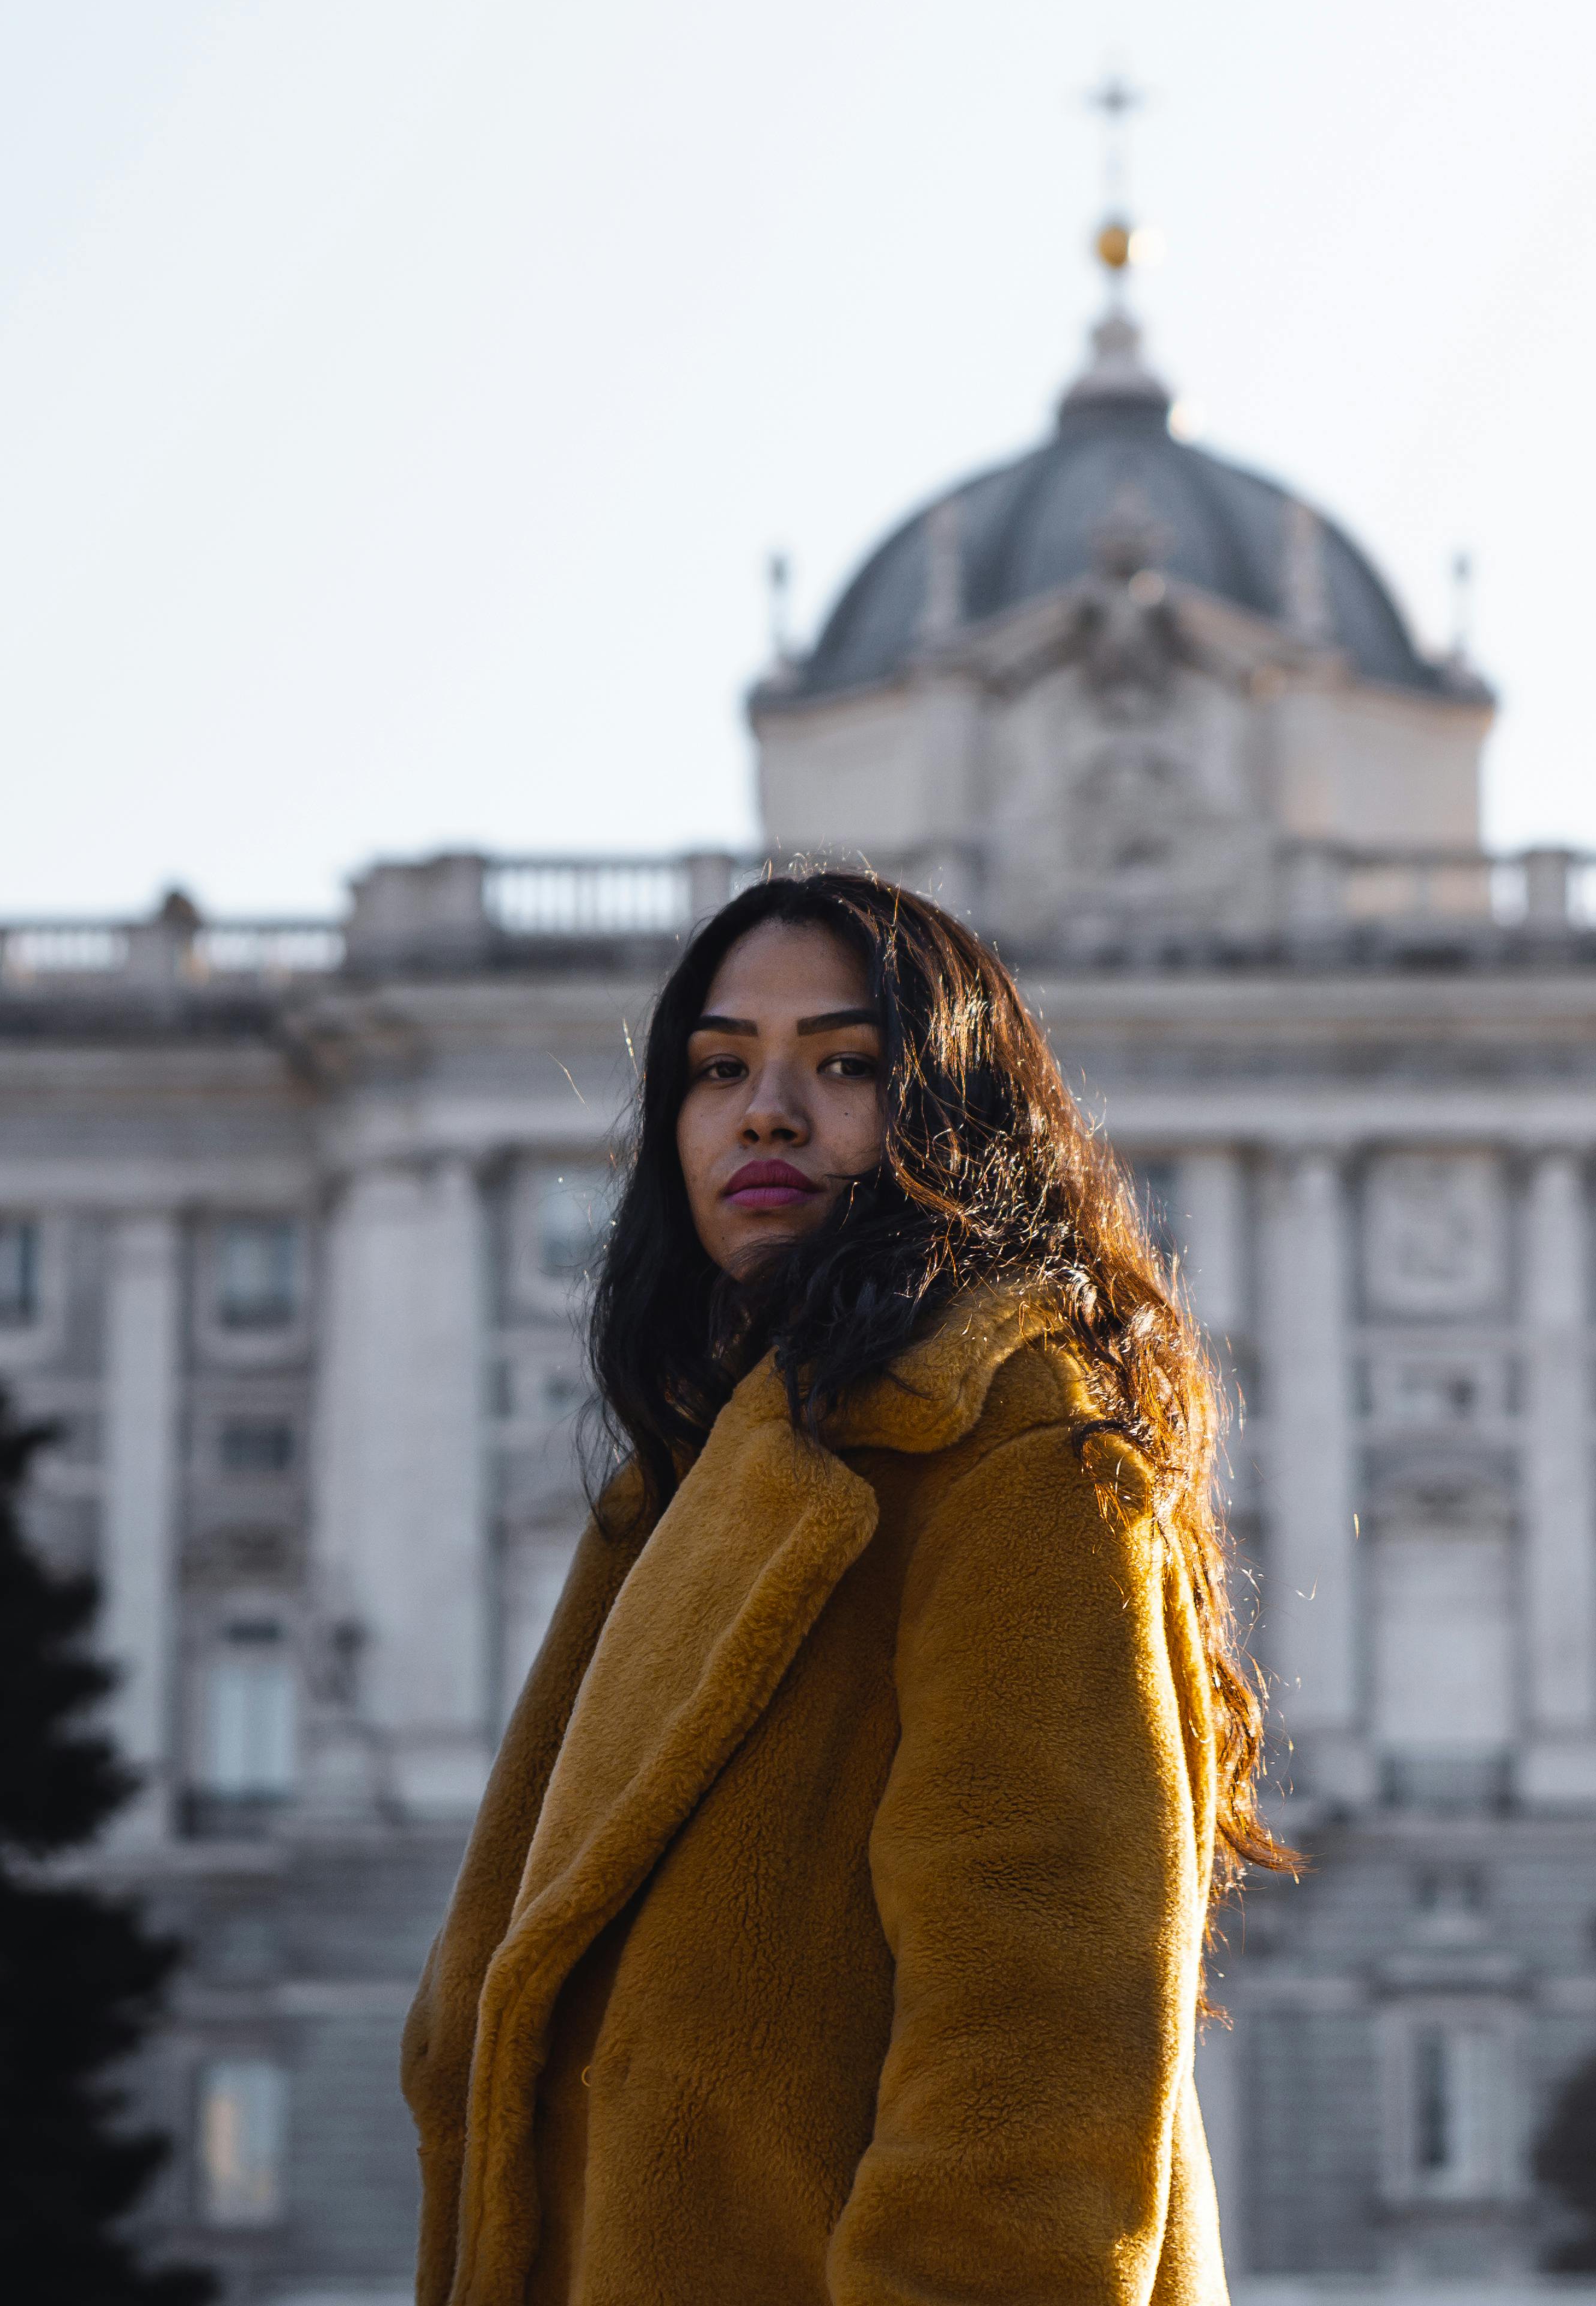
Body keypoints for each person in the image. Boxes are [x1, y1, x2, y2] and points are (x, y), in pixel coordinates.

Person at [402, 869, 1291, 2306]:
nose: (767, 1110)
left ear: (949, 1109)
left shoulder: (1010, 1436)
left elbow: (1039, 2045)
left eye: (844, 1062)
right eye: (719, 1066)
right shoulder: (694, 1471)